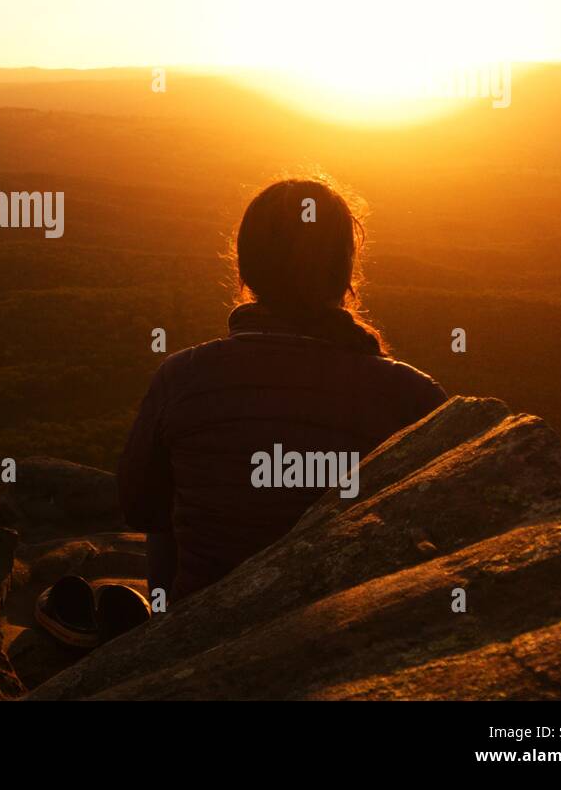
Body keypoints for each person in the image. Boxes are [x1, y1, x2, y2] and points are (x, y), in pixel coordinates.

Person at [118, 176, 445, 601]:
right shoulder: (412, 396)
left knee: (164, 521)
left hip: (204, 625)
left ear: (245, 267)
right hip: (349, 622)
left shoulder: (183, 376)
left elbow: (139, 508)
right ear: (345, 269)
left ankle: (160, 636)